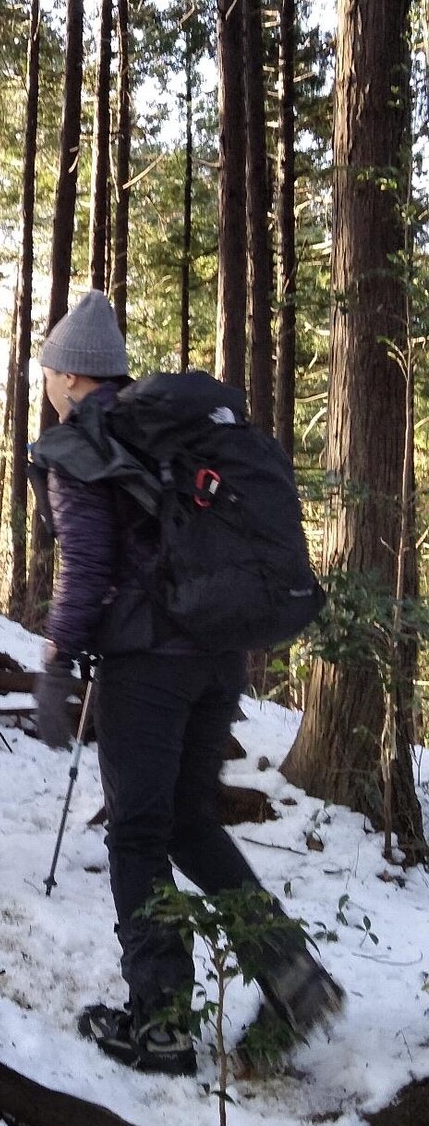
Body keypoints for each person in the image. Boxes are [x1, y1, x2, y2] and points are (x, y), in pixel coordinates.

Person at [30, 289, 344, 1076]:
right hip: (217, 654)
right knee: (189, 822)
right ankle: (289, 973)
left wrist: (58, 657)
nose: (44, 382)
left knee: (137, 831)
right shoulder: (171, 431)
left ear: (68, 374)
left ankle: (161, 1022)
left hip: (147, 663)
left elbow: (89, 568)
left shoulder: (86, 443)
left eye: (46, 370)